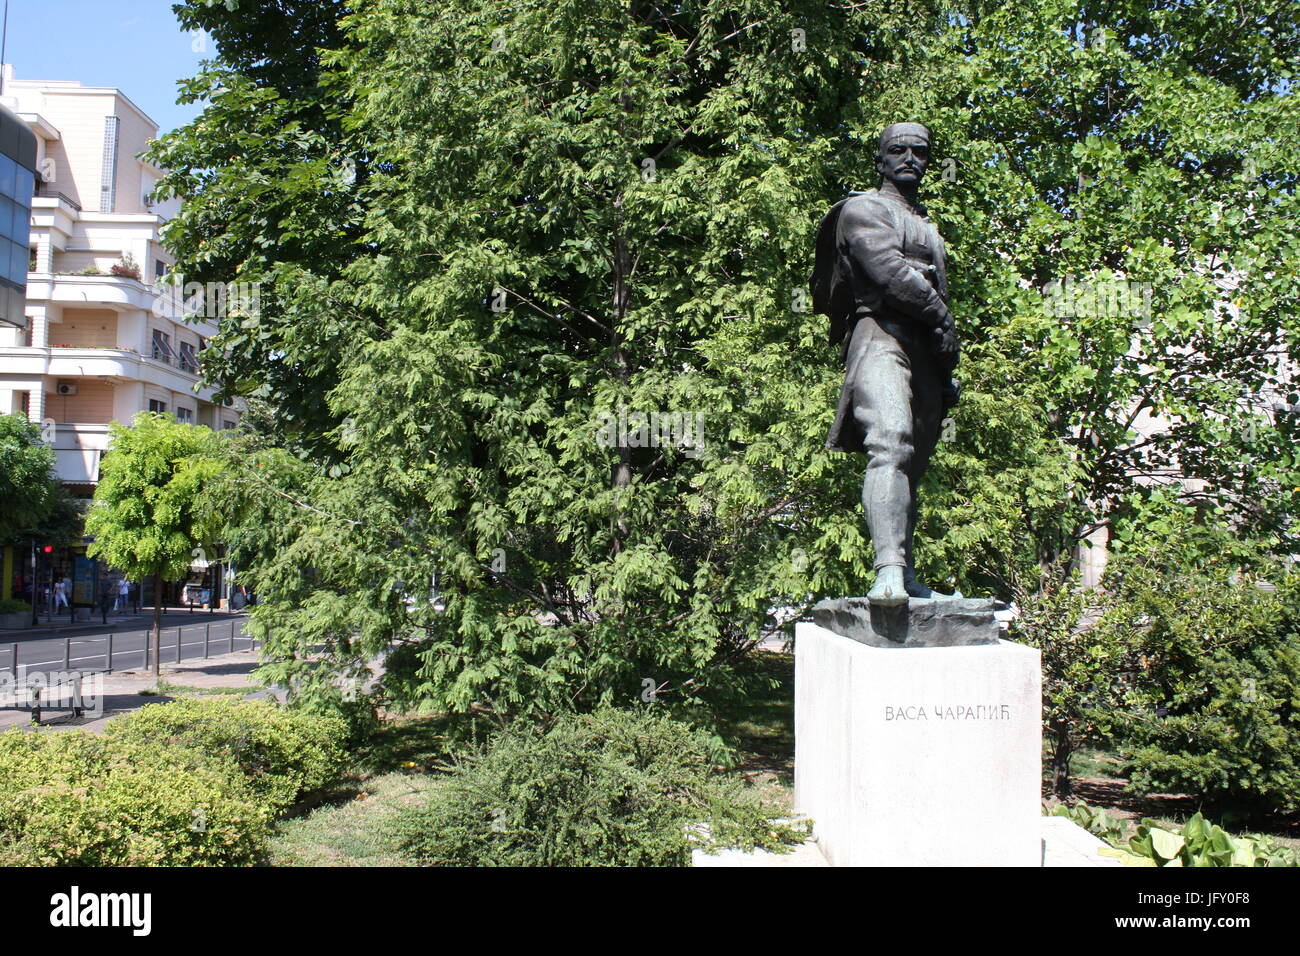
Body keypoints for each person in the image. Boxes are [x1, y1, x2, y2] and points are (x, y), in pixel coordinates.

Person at [811, 121, 960, 606]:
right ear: (879, 158)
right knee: (890, 443)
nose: (910, 157)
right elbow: (888, 272)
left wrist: (945, 362)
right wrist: (941, 318)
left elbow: (931, 284)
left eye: (921, 150)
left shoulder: (928, 225)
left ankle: (906, 571)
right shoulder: (863, 209)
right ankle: (888, 574)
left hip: (926, 351)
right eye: (899, 150)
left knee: (912, 465)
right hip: (880, 336)